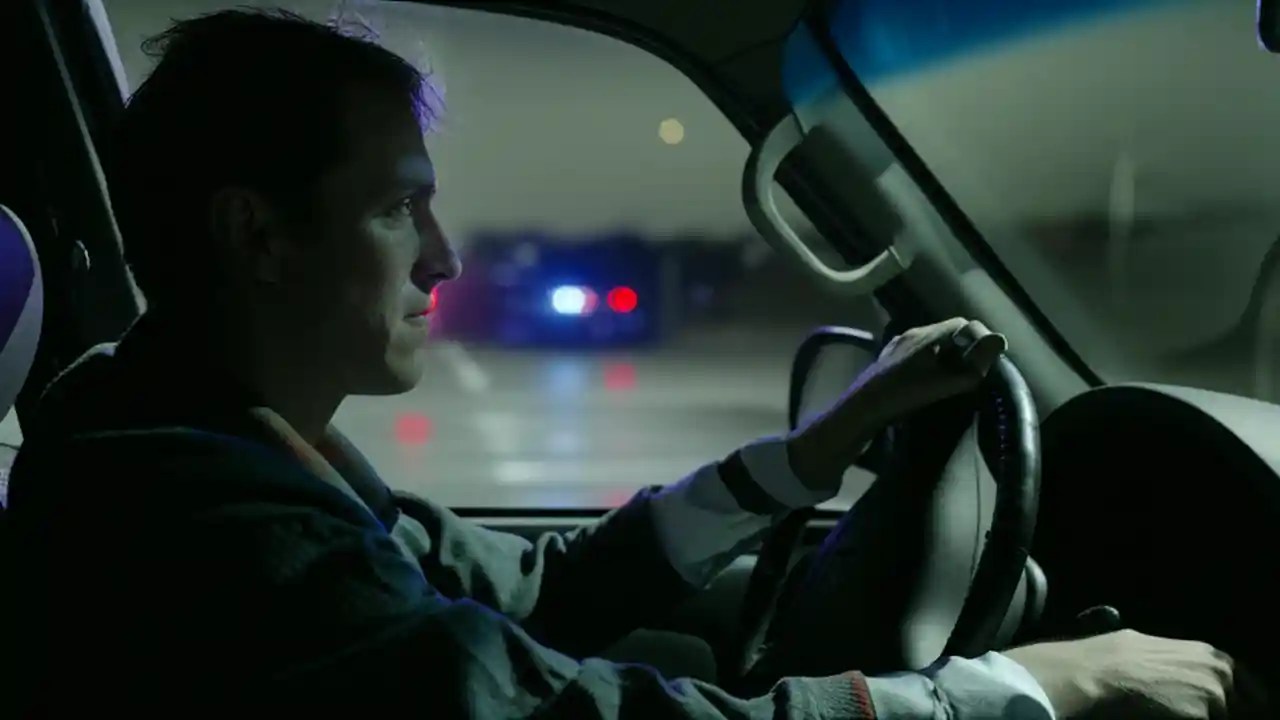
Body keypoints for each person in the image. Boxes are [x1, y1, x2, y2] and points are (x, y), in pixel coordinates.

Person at [0, 8, 1262, 717]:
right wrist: (1019, 691)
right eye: (397, 209)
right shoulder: (195, 513)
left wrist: (812, 453)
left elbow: (540, 592)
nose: (440, 258)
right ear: (255, 232)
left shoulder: (223, 434)